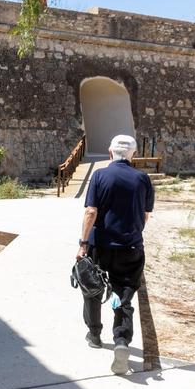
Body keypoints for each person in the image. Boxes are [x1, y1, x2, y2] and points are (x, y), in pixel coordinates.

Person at [76, 134, 154, 375]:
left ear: (110, 153)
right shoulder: (143, 179)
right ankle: (121, 340)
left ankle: (95, 334)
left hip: (101, 246)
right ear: (133, 155)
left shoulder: (99, 175)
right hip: (130, 248)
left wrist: (83, 244)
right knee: (123, 294)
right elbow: (145, 215)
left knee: (92, 288)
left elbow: (91, 212)